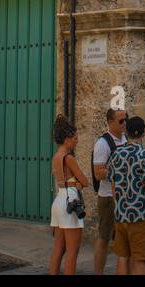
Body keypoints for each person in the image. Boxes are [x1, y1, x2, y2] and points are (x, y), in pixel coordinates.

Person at [106, 115, 145, 275]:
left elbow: (113, 186)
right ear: (143, 133)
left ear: (126, 132)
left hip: (121, 214)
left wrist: (120, 206)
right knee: (140, 258)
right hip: (140, 215)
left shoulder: (116, 155)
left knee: (122, 256)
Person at [48, 115, 88, 275]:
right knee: (72, 252)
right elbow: (85, 181)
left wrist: (74, 183)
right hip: (70, 202)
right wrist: (78, 184)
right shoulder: (69, 158)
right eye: (75, 138)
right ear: (67, 139)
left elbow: (64, 180)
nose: (77, 141)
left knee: (58, 250)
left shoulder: (56, 157)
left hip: (59, 200)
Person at [91, 106, 128, 275]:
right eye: (121, 121)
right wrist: (120, 170)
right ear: (110, 122)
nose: (124, 123)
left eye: (125, 119)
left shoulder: (125, 139)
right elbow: (98, 173)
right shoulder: (102, 144)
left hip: (124, 197)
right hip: (107, 198)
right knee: (104, 237)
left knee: (124, 239)